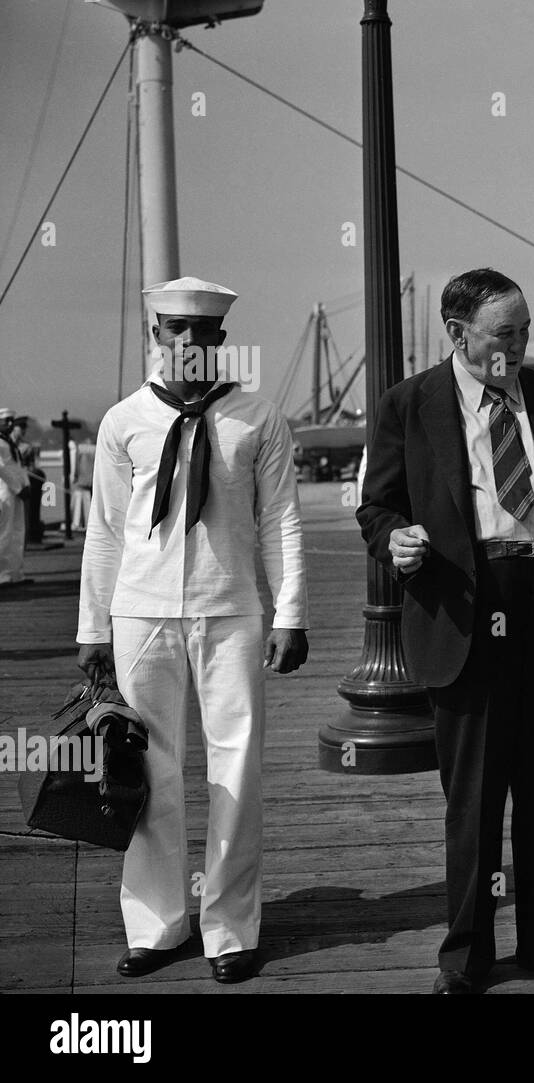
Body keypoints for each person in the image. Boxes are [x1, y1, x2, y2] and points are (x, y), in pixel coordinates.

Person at [357, 268, 534, 995]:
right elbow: (375, 509)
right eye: (506, 333)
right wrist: (395, 541)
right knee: (471, 800)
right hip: (465, 607)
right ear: (457, 333)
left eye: (526, 330)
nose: (520, 345)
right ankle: (465, 955)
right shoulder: (407, 407)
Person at [76, 277, 309, 985]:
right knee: (150, 767)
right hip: (140, 612)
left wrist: (291, 611)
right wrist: (92, 624)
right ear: (156, 336)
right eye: (174, 330)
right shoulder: (124, 421)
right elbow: (106, 530)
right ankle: (156, 923)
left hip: (232, 608)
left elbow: (281, 522)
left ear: (219, 341)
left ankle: (231, 927)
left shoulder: (257, 418)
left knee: (236, 766)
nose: (188, 343)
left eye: (202, 332)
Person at [0, 407, 30, 586]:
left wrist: (25, 485)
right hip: (5, 492)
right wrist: (19, 488)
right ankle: (2, 574)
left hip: (16, 493)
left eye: (12, 420)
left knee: (18, 532)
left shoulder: (9, 443)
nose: (11, 424)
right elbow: (2, 469)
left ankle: (16, 573)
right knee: (4, 533)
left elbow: (18, 468)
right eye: (6, 421)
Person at [13, 417, 45, 546]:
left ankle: (30, 535)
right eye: (21, 428)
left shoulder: (27, 447)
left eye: (24, 428)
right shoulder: (6, 445)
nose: (24, 431)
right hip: (8, 485)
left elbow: (33, 466)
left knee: (26, 514)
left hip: (24, 485)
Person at [70, 436, 96, 532]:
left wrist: (74, 477)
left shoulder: (79, 449)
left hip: (80, 481)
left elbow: (75, 465)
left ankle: (77, 523)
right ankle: (88, 523)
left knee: (77, 503)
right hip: (91, 480)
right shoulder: (95, 448)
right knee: (88, 503)